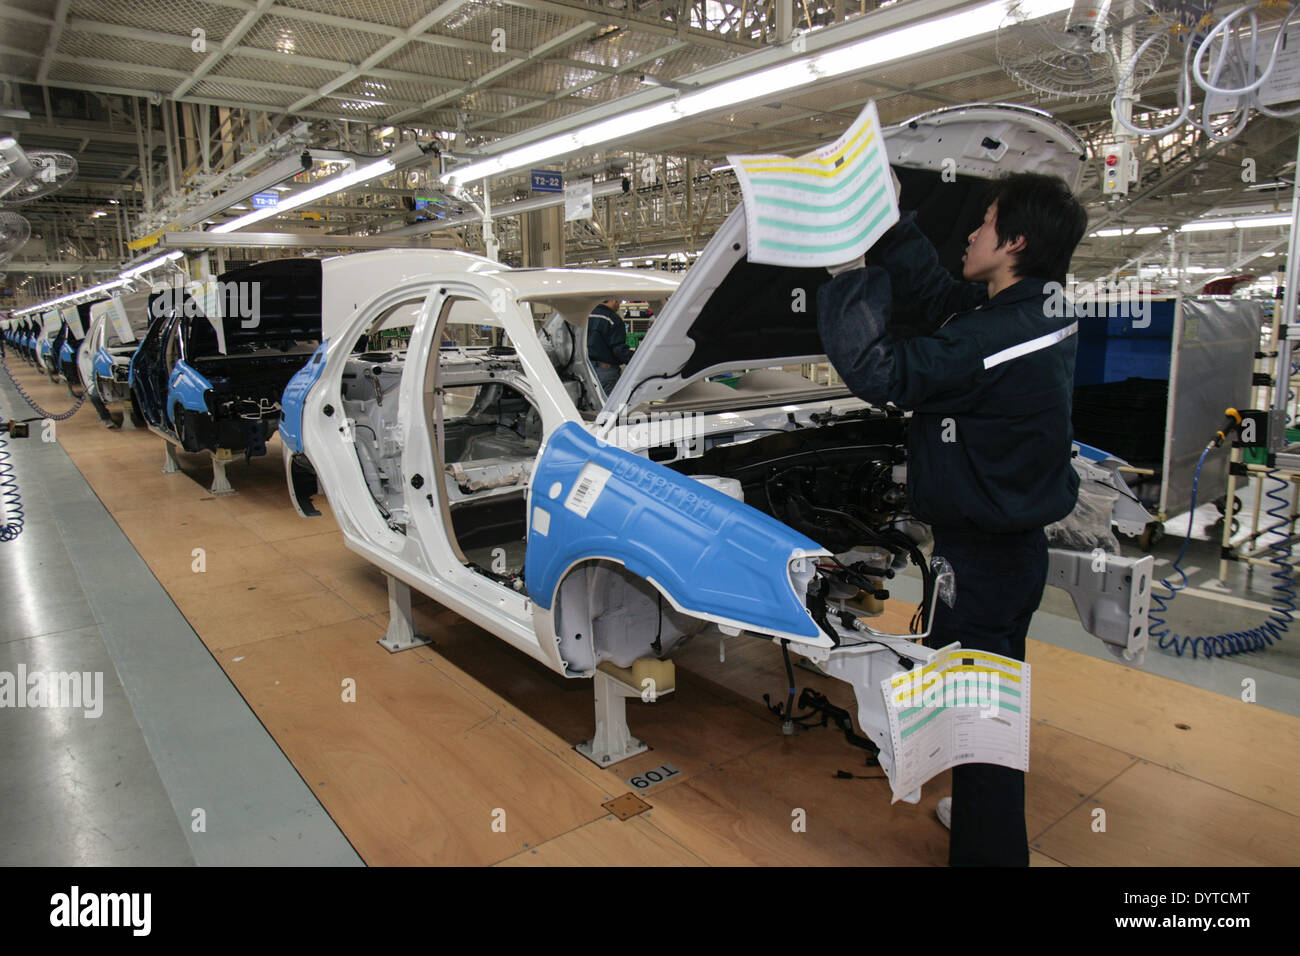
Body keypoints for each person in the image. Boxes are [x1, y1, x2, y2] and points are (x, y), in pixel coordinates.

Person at [816, 171, 1089, 867]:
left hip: (984, 562)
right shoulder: (1037, 308)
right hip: (1004, 553)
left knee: (979, 713)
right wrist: (889, 222)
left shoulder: (996, 338)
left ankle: (990, 855)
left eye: (986, 223)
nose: (971, 232)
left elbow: (882, 372)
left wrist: (848, 269)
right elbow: (943, 300)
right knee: (980, 698)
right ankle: (974, 815)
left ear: (1016, 242)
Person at [586, 297, 632, 394]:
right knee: (613, 405)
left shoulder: (585, 315)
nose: (618, 305)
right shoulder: (613, 319)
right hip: (606, 370)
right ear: (613, 300)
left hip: (585, 370)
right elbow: (618, 349)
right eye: (618, 301)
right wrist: (636, 359)